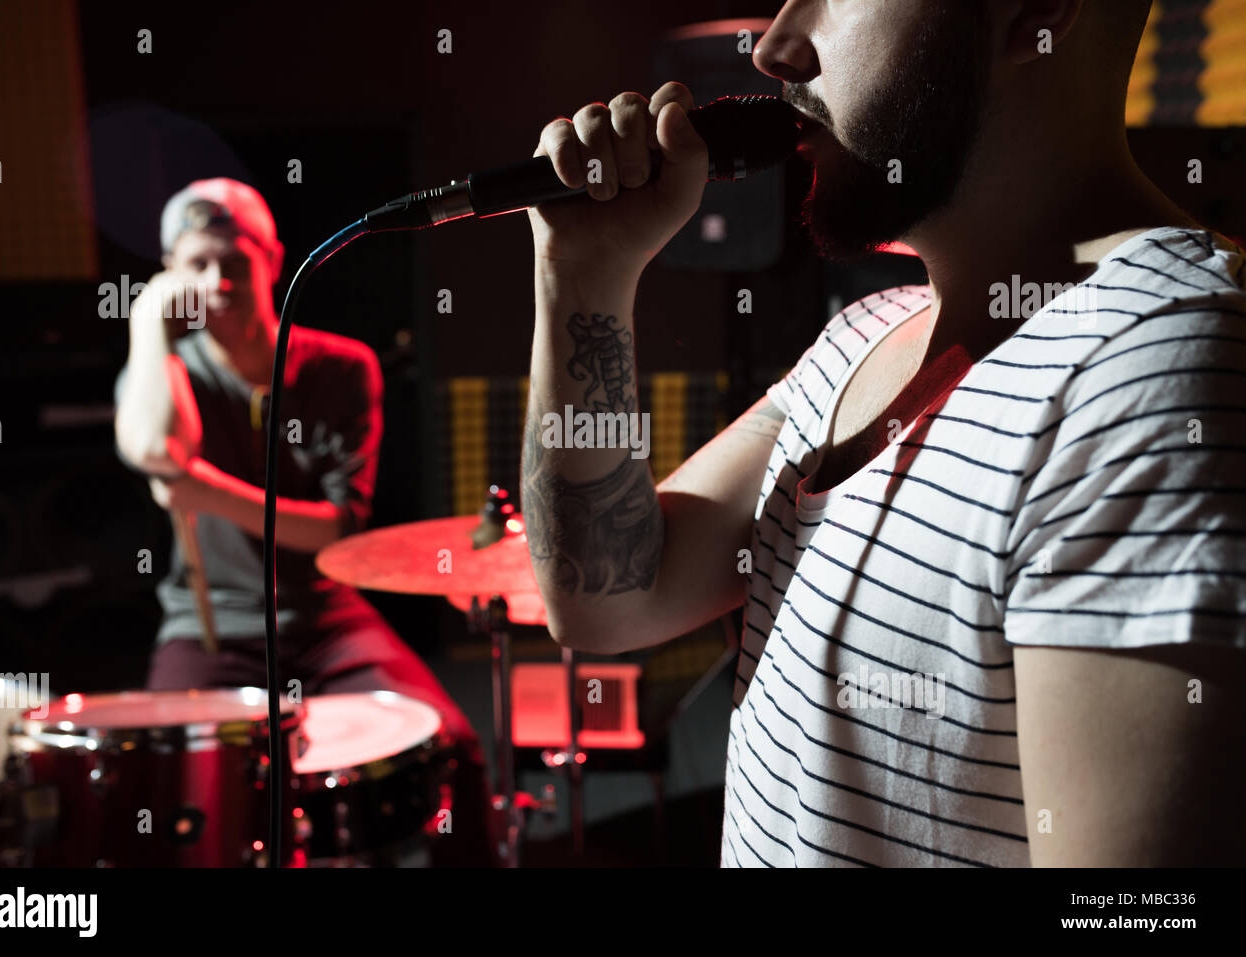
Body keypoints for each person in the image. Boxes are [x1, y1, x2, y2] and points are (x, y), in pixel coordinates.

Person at [521, 0, 1246, 867]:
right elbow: (606, 596)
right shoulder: (864, 336)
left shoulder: (1155, 366)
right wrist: (584, 276)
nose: (778, 50)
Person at [113, 178, 491, 865]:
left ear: (273, 260)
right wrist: (145, 319)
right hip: (210, 626)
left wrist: (200, 489)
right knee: (167, 779)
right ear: (171, 273)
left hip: (325, 618)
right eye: (196, 263)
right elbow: (151, 449)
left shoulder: (344, 366)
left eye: (235, 259)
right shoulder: (162, 371)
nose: (218, 279)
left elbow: (340, 532)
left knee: (453, 745)